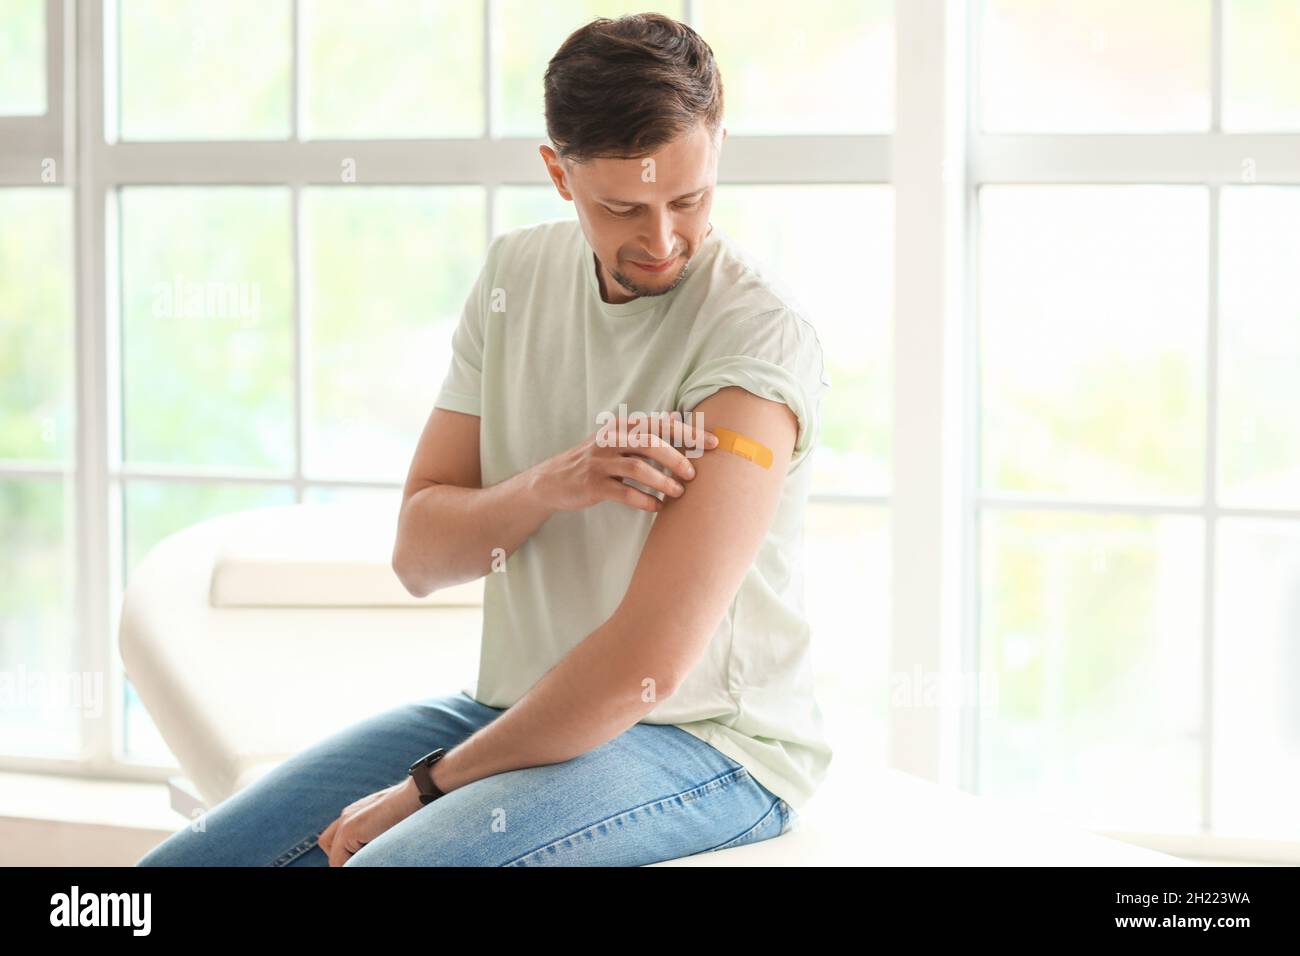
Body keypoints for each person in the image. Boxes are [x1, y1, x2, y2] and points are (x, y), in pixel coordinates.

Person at [138, 11, 831, 868]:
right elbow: (421, 557)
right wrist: (552, 483)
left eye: (688, 199)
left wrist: (423, 788)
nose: (661, 241)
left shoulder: (755, 336)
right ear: (557, 171)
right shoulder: (515, 278)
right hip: (516, 713)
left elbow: (644, 665)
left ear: (719, 144)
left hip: (707, 745)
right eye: (622, 207)